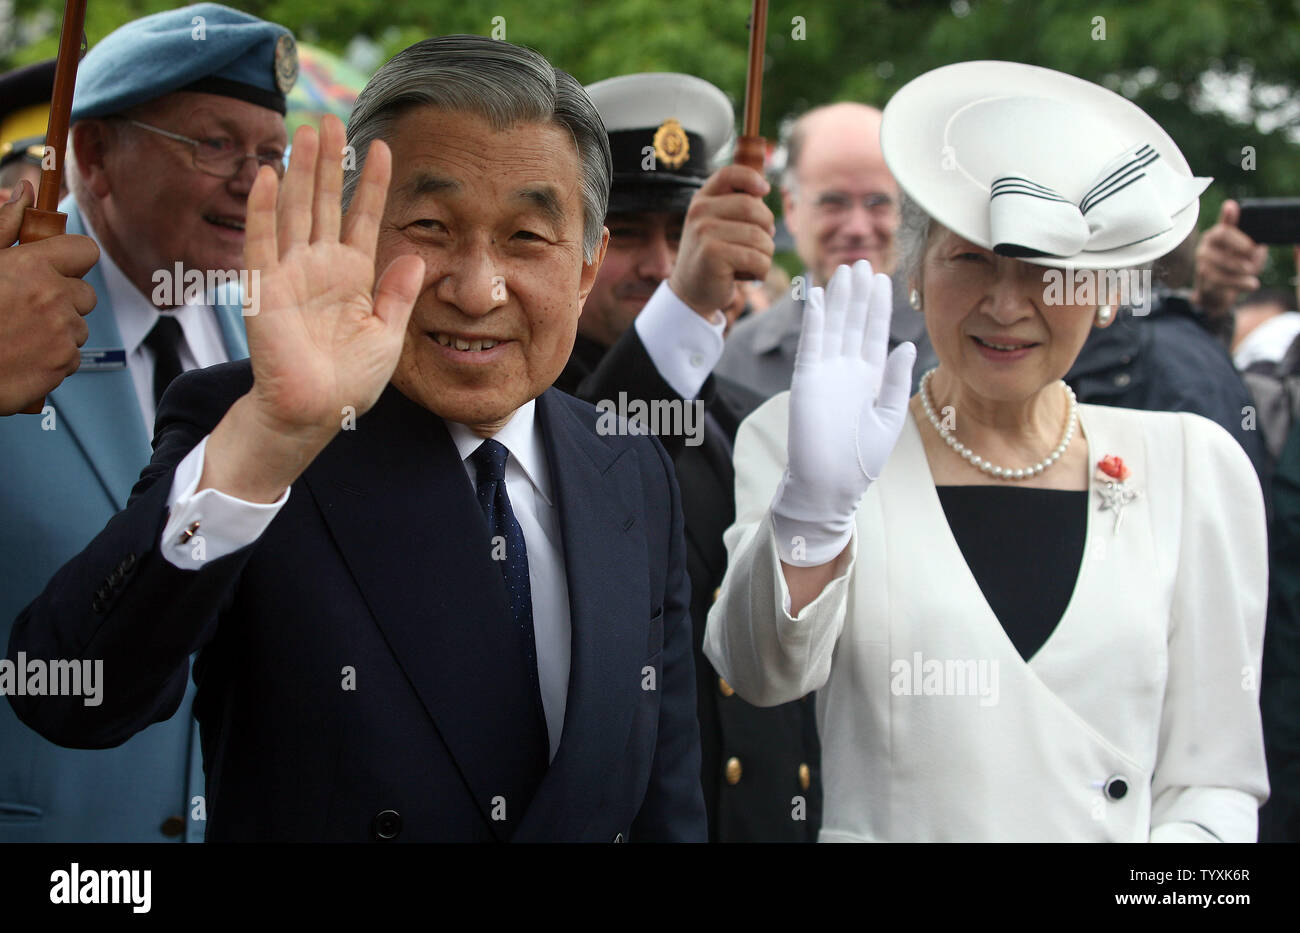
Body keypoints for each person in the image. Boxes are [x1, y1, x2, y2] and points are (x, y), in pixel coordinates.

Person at [8, 35, 705, 843]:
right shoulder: (260, 427)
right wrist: (271, 437)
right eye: (431, 226)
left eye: (526, 238)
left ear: (586, 269)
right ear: (355, 235)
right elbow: (74, 694)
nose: (477, 289)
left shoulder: (627, 465)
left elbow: (665, 801)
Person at [705, 61, 1268, 842]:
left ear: (1103, 293)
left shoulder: (1192, 468)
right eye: (969, 259)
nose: (1006, 305)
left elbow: (1214, 786)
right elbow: (762, 673)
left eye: (1046, 270)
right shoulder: (804, 443)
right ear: (915, 274)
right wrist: (814, 508)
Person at [0, 3, 296, 841]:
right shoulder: (10, 313)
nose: (254, 181)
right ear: (92, 154)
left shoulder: (275, 335)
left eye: (270, 154)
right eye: (214, 145)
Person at [558, 72, 820, 841]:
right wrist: (691, 301)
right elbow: (599, 456)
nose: (660, 263)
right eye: (627, 234)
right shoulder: (524, 413)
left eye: (683, 234)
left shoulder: (742, 420)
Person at [716, 102, 936, 397]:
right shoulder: (738, 360)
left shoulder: (953, 343)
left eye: (878, 202)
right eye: (833, 202)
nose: (857, 228)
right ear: (791, 208)